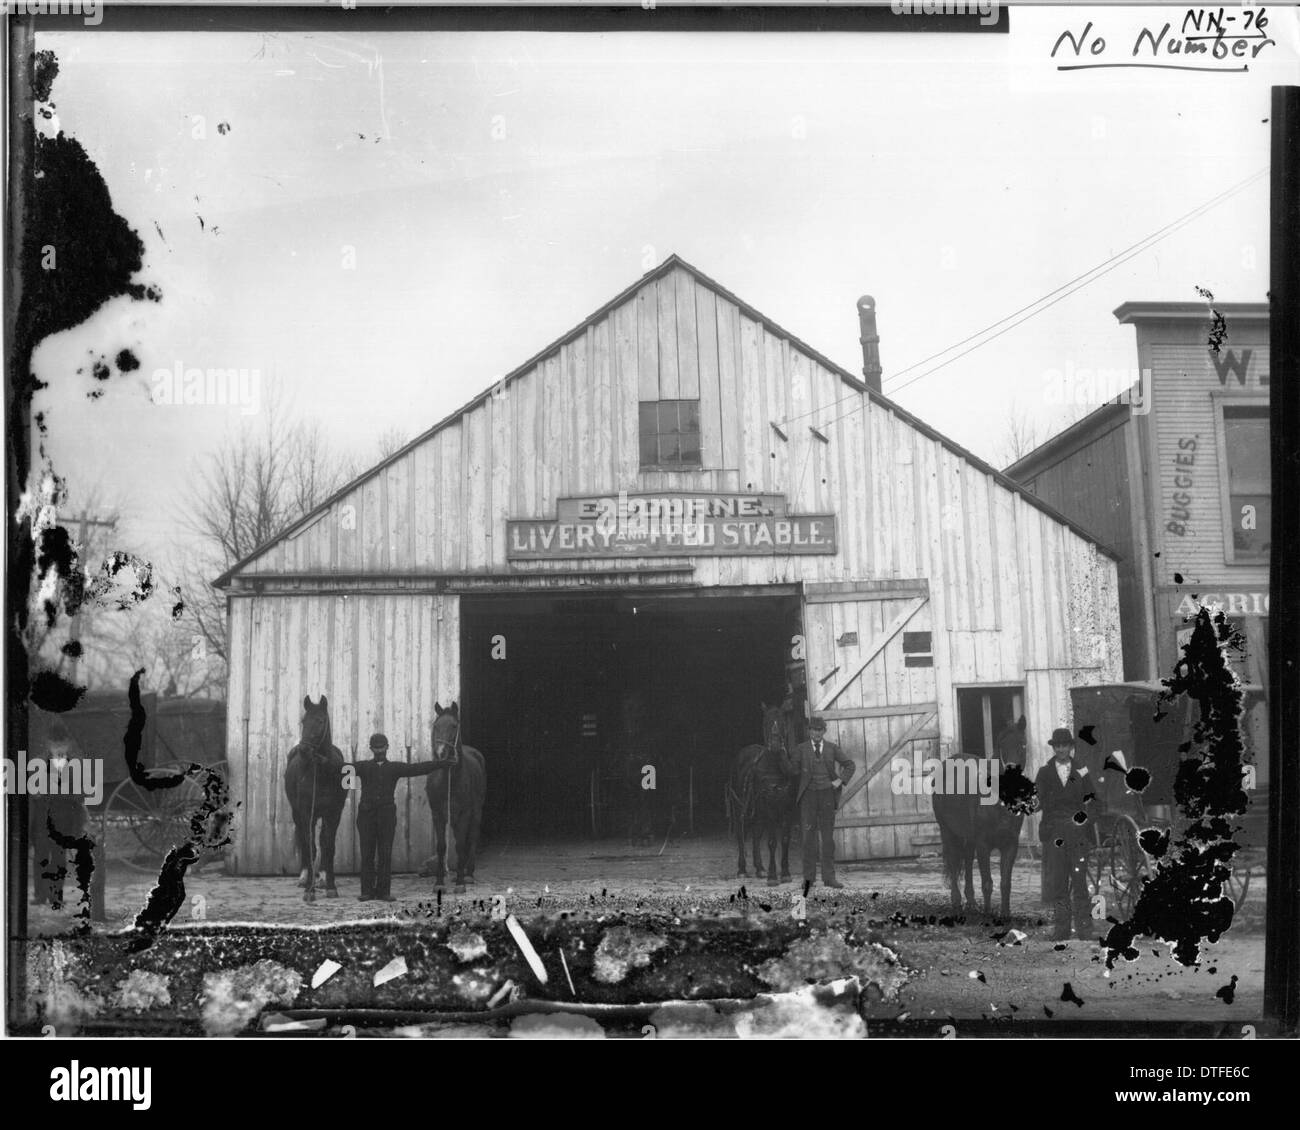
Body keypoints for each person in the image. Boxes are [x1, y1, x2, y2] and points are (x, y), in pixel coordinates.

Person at [353, 733, 440, 901]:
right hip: (366, 816)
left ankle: (384, 892)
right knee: (367, 854)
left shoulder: (395, 768)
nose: (379, 751)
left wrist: (441, 764)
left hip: (386, 816)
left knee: (385, 853)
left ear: (387, 747)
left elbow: (417, 768)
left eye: (382, 747)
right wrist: (322, 763)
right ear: (371, 749)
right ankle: (367, 892)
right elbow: (340, 771)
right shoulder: (361, 767)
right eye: (376, 748)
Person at [1034, 727, 1095, 941]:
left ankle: (1085, 930)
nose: (1061, 749)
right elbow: (1037, 801)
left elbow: (1090, 797)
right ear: (1053, 747)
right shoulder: (1044, 772)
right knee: (1058, 882)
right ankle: (1061, 931)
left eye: (1065, 745)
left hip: (1078, 832)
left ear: (1071, 747)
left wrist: (1087, 825)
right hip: (1055, 834)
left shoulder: (1082, 770)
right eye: (1057, 745)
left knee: (1079, 881)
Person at [30, 718, 89, 909]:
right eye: (55, 744)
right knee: (40, 856)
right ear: (48, 744)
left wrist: (58, 793)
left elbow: (81, 795)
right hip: (42, 819)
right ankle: (40, 895)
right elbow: (33, 791)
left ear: (68, 744)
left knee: (58, 858)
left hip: (64, 820)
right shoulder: (38, 764)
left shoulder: (76, 766)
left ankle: (56, 896)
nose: (59, 748)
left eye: (62, 743)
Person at [793, 716, 856, 889]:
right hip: (808, 798)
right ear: (809, 731)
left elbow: (850, 765)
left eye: (820, 730)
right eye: (813, 729)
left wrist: (840, 780)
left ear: (824, 731)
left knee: (827, 839)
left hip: (827, 796)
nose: (817, 733)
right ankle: (809, 879)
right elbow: (791, 769)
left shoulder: (832, 748)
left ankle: (829, 878)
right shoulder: (801, 749)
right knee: (808, 839)